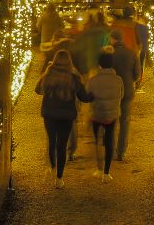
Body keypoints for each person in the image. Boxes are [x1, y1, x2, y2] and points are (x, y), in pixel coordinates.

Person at [35, 49, 91, 188]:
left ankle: (52, 166)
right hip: (66, 115)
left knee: (51, 141)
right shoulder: (73, 77)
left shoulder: (48, 74)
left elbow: (37, 90)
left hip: (49, 113)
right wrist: (94, 94)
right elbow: (84, 97)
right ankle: (59, 178)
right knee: (62, 145)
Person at [85, 51, 124, 182]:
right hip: (112, 115)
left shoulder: (93, 81)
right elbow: (121, 95)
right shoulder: (119, 80)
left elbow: (87, 95)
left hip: (97, 114)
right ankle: (107, 173)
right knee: (109, 141)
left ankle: (99, 168)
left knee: (97, 141)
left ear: (99, 65)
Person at [110, 29, 141, 162]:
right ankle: (121, 151)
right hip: (127, 91)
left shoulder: (109, 54)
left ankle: (109, 149)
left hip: (112, 91)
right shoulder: (131, 53)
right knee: (124, 121)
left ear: (113, 39)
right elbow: (137, 74)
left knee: (110, 121)